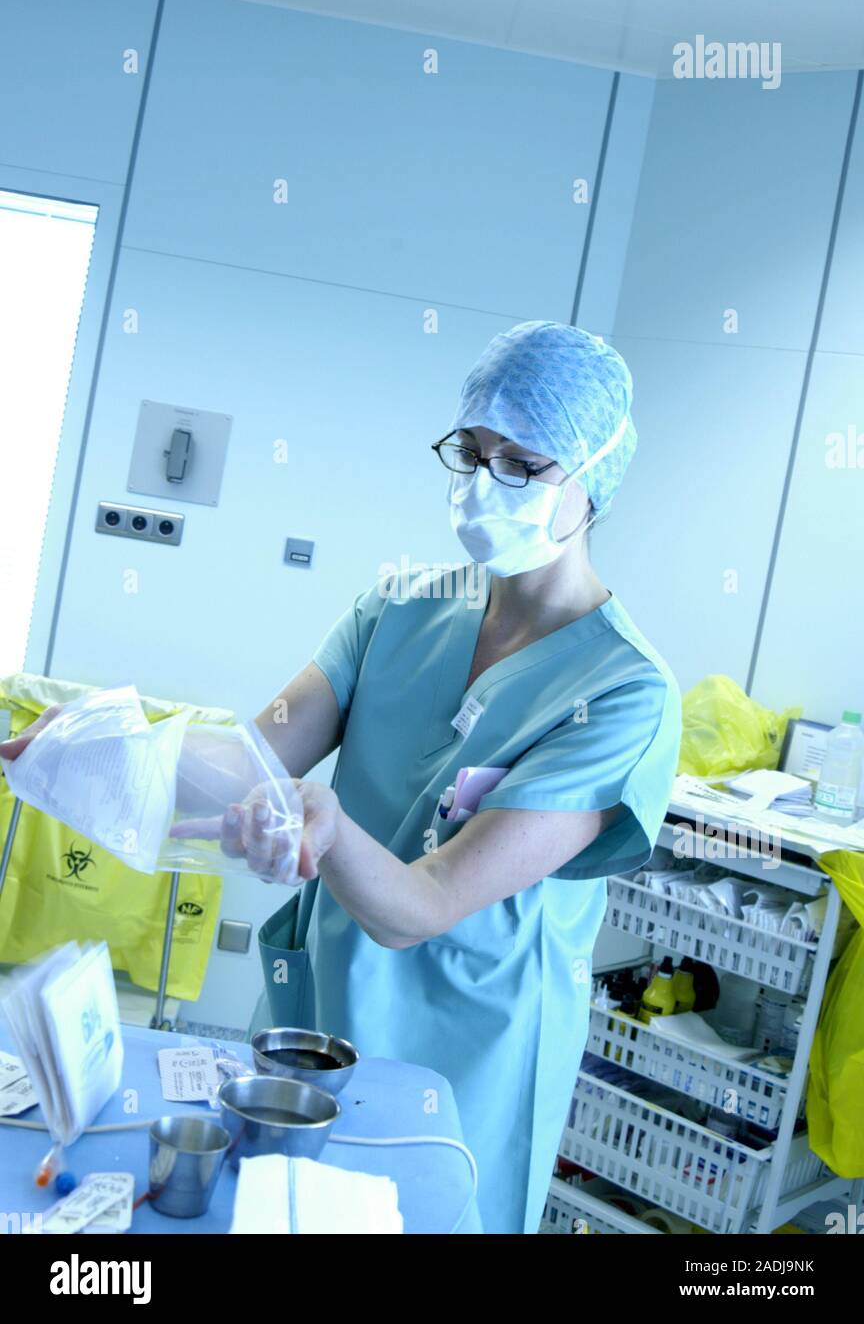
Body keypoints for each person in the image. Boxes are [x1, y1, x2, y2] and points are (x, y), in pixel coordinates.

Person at [1, 322, 682, 1234]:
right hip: (322, 1017)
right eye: (472, 453)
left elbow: (425, 903)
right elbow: (256, 758)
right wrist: (100, 748)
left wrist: (322, 824)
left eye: (522, 466)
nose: (485, 485)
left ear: (593, 480)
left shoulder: (626, 694)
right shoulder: (402, 608)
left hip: (470, 1054)